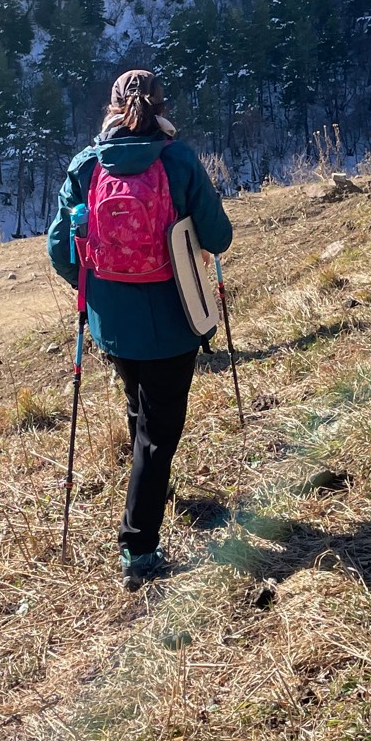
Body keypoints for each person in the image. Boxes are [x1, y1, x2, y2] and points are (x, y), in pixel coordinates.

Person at [47, 69, 233, 588]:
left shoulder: (86, 167)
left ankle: (150, 489)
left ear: (110, 106)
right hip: (175, 320)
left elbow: (60, 251)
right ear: (161, 104)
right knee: (159, 434)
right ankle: (138, 546)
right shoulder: (178, 160)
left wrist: (95, 291)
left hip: (111, 324)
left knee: (139, 410)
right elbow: (218, 237)